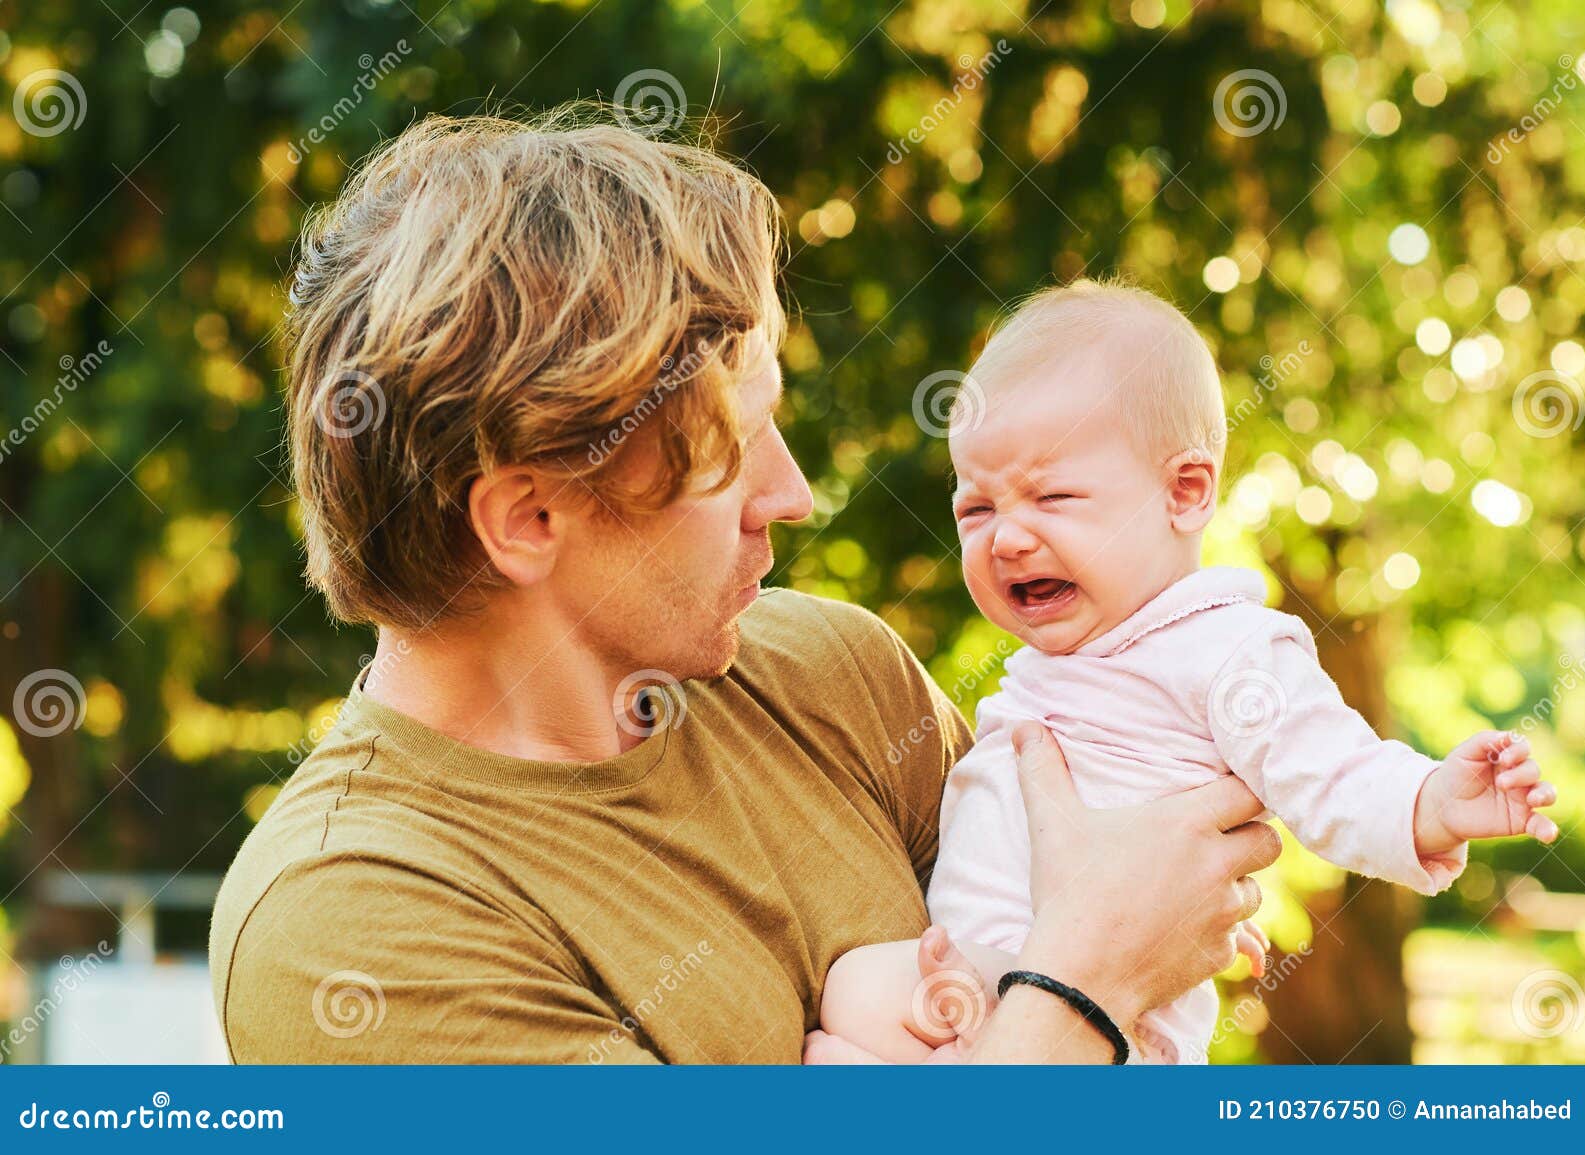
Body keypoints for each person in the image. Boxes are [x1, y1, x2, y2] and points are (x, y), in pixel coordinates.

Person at [208, 109, 1281, 1064]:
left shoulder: (838, 679)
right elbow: (1103, 948)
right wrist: (1083, 988)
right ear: (530, 518)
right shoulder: (351, 927)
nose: (793, 494)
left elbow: (1134, 890)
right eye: (732, 447)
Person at [810, 279, 1559, 1065]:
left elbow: (1333, 769)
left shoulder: (1224, 648)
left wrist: (1433, 799)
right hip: (976, 994)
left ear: (1185, 492)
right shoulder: (1056, 661)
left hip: (1112, 1024)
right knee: (848, 995)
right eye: (976, 510)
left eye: (1052, 496)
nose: (1006, 538)